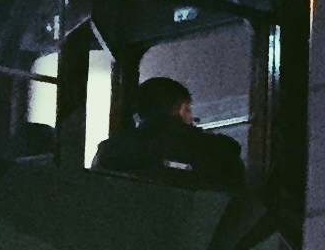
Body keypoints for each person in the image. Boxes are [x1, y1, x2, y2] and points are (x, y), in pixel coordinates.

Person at [92, 75, 247, 191]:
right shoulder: (219, 151)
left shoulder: (110, 152)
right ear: (181, 109)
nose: (191, 118)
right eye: (188, 110)